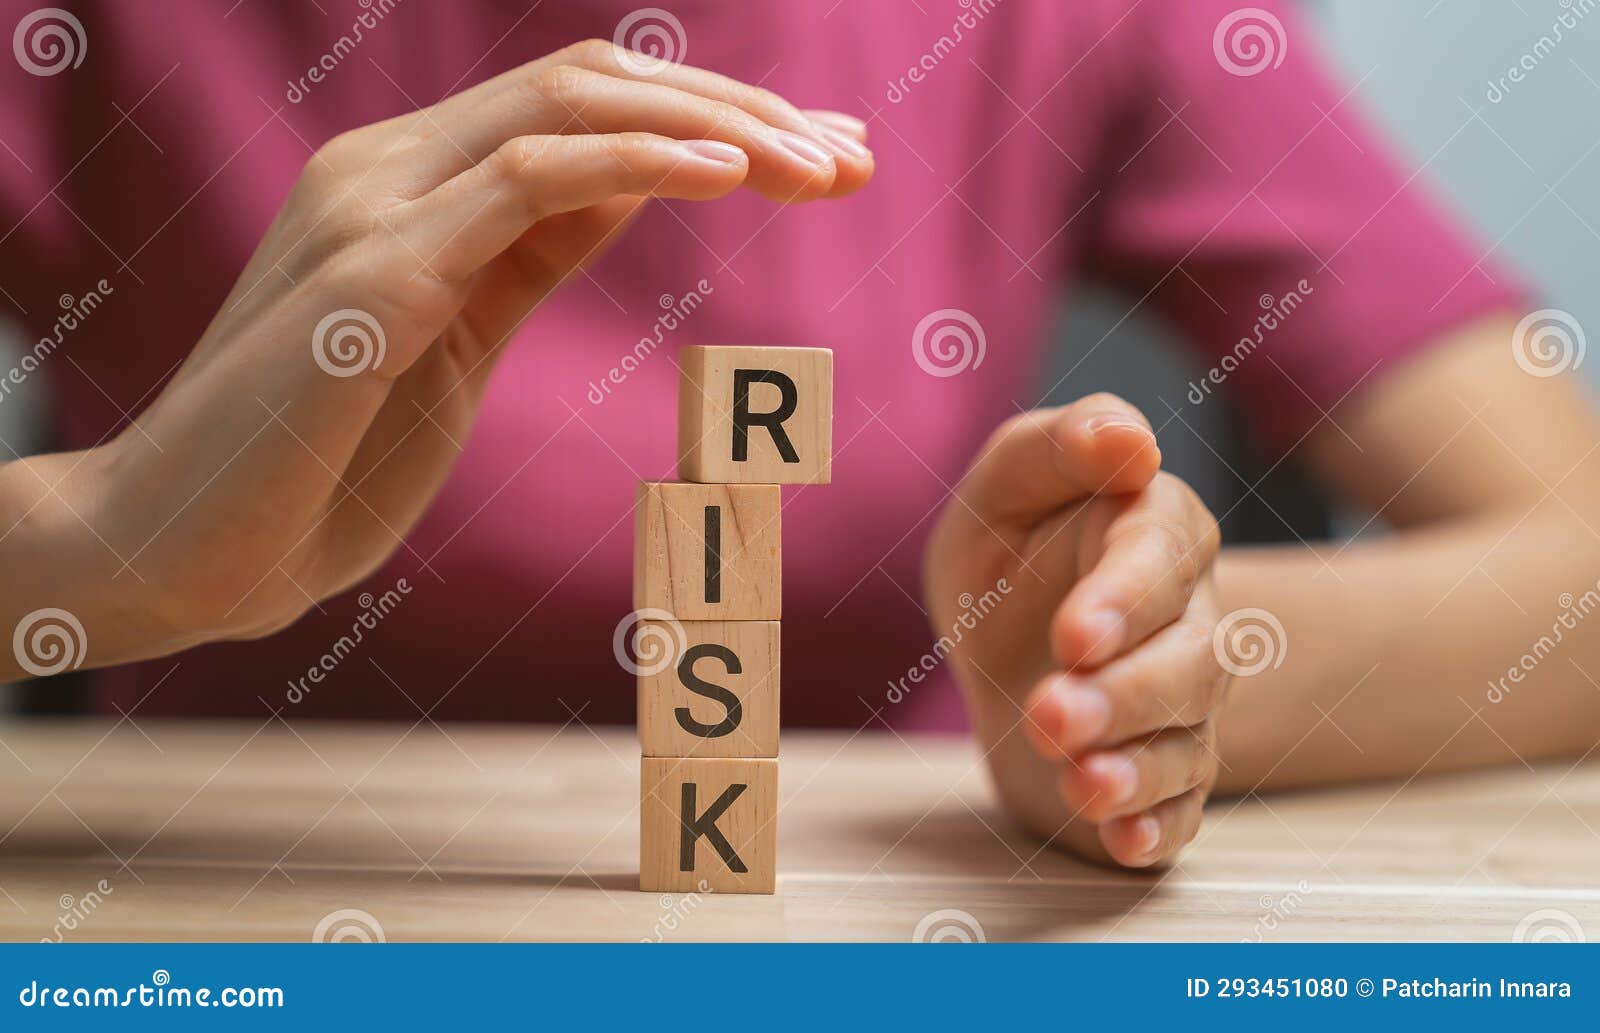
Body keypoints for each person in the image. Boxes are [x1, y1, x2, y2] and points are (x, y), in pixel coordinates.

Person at [2, 0, 1596, 870]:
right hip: (214, 919)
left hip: (891, 921)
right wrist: (98, 545)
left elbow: (1582, 566)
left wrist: (1122, 682)